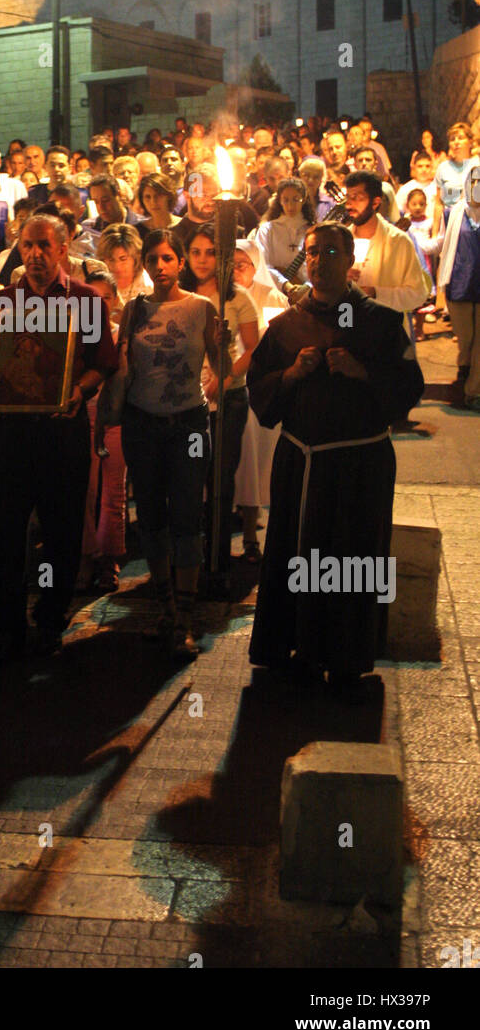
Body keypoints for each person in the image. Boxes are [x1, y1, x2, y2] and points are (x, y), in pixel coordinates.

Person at [247, 222, 424, 694]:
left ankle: (347, 655)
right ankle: (296, 648)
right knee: (296, 555)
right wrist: (290, 374)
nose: (320, 261)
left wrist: (361, 371)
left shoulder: (382, 323)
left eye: (330, 252)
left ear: (350, 261)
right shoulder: (286, 326)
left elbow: (410, 387)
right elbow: (259, 388)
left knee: (353, 558)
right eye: (312, 252)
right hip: (301, 462)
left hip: (358, 464)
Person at [0, 214, 118, 659]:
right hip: (14, 434)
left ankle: (52, 619)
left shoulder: (88, 302)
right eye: (27, 246)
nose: (35, 254)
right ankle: (7, 623)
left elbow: (103, 362)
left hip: (63, 431)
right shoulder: (3, 303)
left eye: (43, 245)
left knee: (61, 531)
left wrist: (80, 388)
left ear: (63, 249)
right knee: (9, 529)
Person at [118, 229, 221, 656]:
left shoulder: (202, 308)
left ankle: (186, 617)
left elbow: (222, 366)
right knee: (151, 517)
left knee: (186, 516)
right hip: (142, 424)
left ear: (180, 263)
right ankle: (164, 609)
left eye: (167, 258)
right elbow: (124, 364)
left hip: (189, 427)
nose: (159, 266)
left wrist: (224, 343)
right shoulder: (133, 310)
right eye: (152, 259)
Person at [185, 224, 259, 587]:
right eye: (195, 252)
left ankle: (217, 554)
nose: (202, 260)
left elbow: (252, 348)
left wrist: (224, 380)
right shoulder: (180, 294)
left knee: (220, 475)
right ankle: (189, 554)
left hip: (228, 398)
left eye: (210, 252)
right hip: (187, 400)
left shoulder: (238, 298)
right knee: (191, 473)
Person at [231, 240, 287, 562]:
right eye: (233, 263)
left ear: (255, 266)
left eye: (244, 264)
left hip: (255, 388)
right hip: (223, 383)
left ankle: (251, 529)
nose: (237, 270)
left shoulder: (271, 297)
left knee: (251, 461)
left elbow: (276, 344)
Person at [78, 265, 126, 594]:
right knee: (84, 490)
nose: (101, 303)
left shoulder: (122, 333)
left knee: (114, 493)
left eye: (106, 297)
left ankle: (110, 558)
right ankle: (84, 558)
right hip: (84, 415)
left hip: (117, 419)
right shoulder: (74, 332)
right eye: (95, 297)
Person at [342, 171, 432, 333]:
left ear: (375, 202)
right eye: (348, 197)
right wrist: (341, 279)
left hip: (388, 334)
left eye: (358, 198)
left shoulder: (398, 241)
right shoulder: (343, 240)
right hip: (350, 329)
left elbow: (418, 294)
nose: (350, 204)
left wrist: (376, 293)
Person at [438, 165, 480, 410]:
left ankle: (473, 391)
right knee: (466, 341)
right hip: (459, 286)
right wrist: (413, 242)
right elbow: (442, 243)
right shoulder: (452, 213)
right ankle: (466, 371)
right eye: (473, 181)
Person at [255, 178, 316, 290]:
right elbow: (262, 265)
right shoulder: (267, 230)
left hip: (307, 293)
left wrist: (307, 287)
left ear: (304, 199)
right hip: (275, 292)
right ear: (279, 201)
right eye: (285, 200)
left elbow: (319, 267)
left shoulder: (313, 231)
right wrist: (285, 285)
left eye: (295, 199)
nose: (290, 206)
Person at [97, 222, 151, 322]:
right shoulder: (97, 282)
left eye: (123, 259)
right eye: (111, 259)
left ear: (135, 257)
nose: (117, 266)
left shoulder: (147, 287)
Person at [435, 123, 478, 219]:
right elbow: (439, 203)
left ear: (470, 142)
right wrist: (435, 233)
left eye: (460, 138)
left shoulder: (477, 164)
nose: (456, 142)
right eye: (452, 139)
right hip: (450, 219)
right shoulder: (443, 168)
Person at [298, 156, 336, 222]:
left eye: (316, 177)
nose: (310, 180)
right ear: (300, 176)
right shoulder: (292, 201)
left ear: (321, 179)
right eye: (306, 175)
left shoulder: (329, 204)